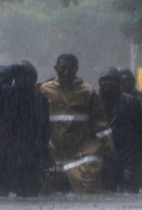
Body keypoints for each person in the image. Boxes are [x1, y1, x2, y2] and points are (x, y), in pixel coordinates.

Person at [40, 53, 111, 193]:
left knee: (88, 190)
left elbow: (100, 120)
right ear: (56, 68)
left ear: (77, 69)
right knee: (48, 192)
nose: (67, 72)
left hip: (82, 150)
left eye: (71, 68)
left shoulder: (86, 91)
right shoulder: (45, 90)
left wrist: (108, 142)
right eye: (63, 68)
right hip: (53, 149)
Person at [0, 61, 50, 197]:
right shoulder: (4, 94)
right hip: (2, 148)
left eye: (28, 76)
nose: (25, 80)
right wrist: (10, 70)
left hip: (27, 150)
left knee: (26, 191)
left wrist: (43, 151)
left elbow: (45, 129)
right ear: (15, 78)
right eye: (20, 76)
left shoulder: (40, 99)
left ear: (34, 79)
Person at [98, 67, 142, 193]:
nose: (108, 83)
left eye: (112, 80)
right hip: (105, 155)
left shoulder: (131, 101)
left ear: (119, 83)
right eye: (104, 80)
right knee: (107, 191)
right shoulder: (94, 100)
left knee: (129, 191)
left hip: (129, 155)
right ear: (100, 82)